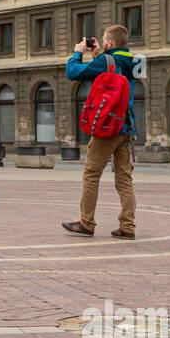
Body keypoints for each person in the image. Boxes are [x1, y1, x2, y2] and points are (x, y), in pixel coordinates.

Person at [62, 25, 137, 239]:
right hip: (126, 126)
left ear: (110, 43)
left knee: (91, 174)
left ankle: (86, 222)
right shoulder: (132, 60)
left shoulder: (105, 62)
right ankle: (128, 226)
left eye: (104, 40)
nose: (103, 43)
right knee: (124, 179)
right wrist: (97, 55)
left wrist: (78, 52)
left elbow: (73, 72)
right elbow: (113, 80)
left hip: (107, 128)